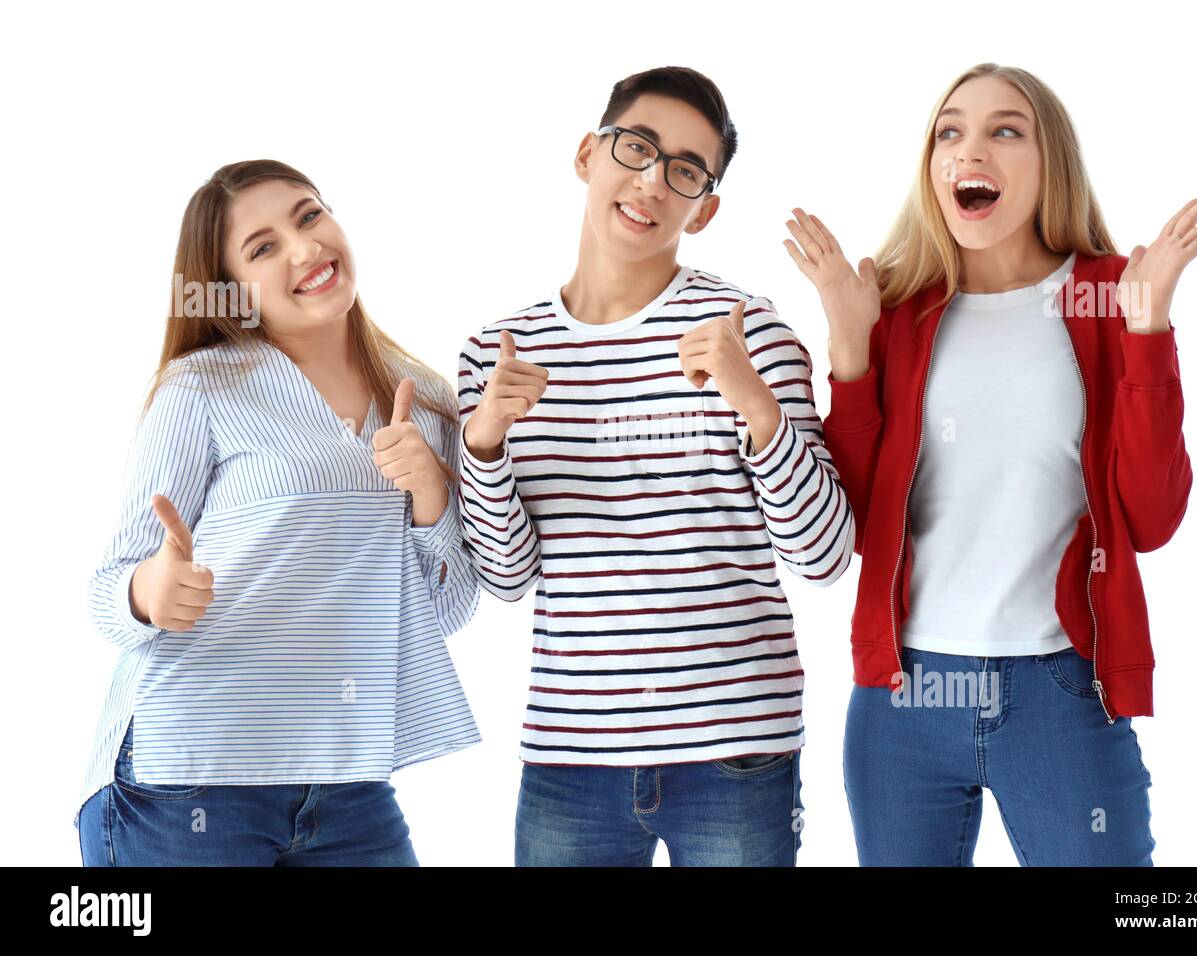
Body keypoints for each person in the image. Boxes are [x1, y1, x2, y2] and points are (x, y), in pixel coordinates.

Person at [787, 63, 1197, 866]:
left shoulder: (1105, 297)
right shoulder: (893, 309)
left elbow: (1152, 518)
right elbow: (848, 522)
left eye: (1004, 130)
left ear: (1048, 162)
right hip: (902, 700)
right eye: (948, 132)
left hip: (1058, 694)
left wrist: (1148, 329)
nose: (968, 150)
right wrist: (848, 352)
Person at [455, 67, 855, 866]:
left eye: (684, 170)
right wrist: (487, 441)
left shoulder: (750, 334)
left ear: (704, 208)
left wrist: (757, 406)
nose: (651, 181)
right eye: (636, 148)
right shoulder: (493, 356)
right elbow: (504, 578)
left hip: (735, 751)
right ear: (587, 155)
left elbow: (824, 555)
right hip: (570, 754)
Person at [75, 160, 482, 866]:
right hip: (187, 780)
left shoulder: (425, 398)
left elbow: (445, 614)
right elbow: (107, 592)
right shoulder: (199, 388)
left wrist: (430, 500)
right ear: (229, 293)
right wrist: (150, 591)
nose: (305, 248)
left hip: (346, 781)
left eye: (309, 215)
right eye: (263, 248)